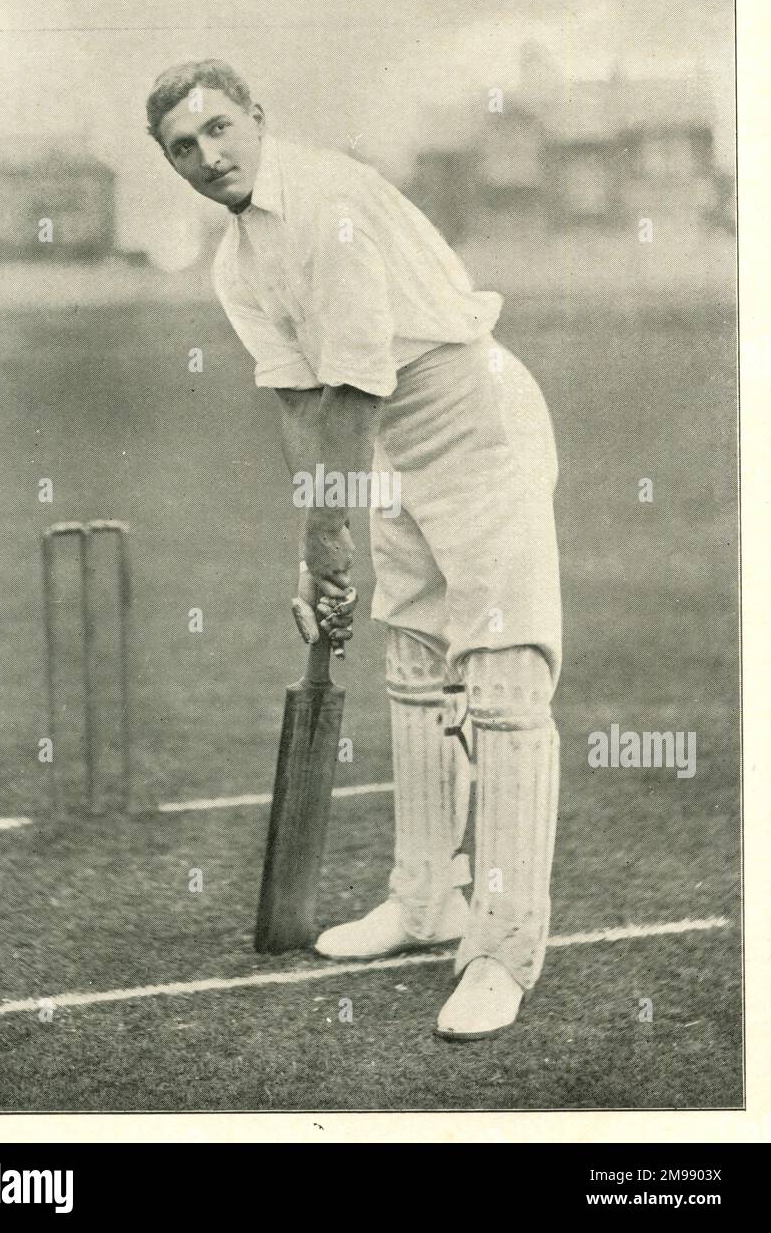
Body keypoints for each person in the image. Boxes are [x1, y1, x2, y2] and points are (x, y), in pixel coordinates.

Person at [146, 59, 562, 1040]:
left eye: (218, 129)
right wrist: (315, 545)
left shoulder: (327, 199)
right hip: (385, 448)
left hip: (474, 420)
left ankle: (504, 947)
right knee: (414, 669)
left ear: (257, 115)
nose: (208, 156)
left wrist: (334, 520)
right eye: (183, 149)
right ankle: (426, 900)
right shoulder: (236, 261)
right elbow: (301, 396)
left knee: (501, 682)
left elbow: (362, 377)